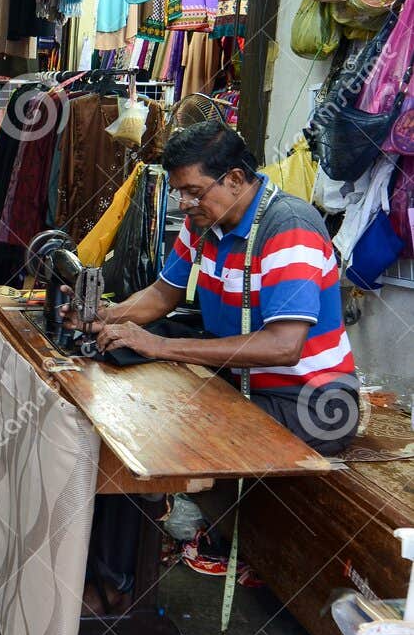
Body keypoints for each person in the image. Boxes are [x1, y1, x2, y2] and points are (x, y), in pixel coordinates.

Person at [93, 121, 360, 452]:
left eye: (194, 191)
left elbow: (283, 347)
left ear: (234, 179)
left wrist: (159, 345)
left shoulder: (289, 227)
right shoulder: (204, 220)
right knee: (131, 382)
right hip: (240, 378)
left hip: (310, 401)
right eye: (179, 192)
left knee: (164, 425)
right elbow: (162, 294)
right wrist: (103, 317)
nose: (185, 203)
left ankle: (155, 494)